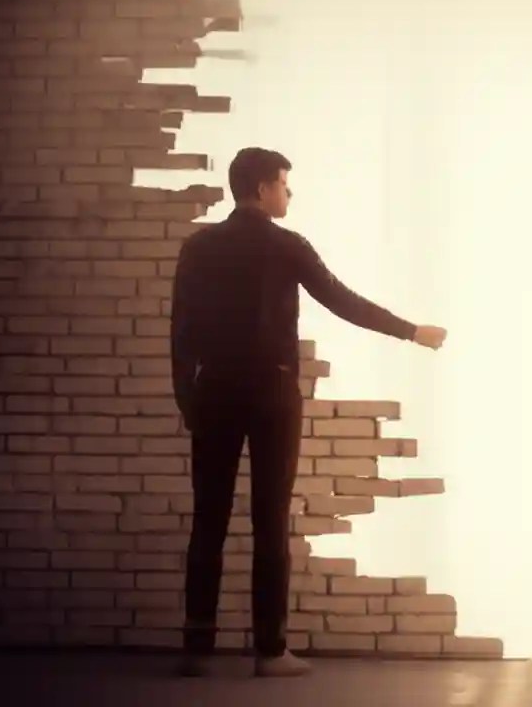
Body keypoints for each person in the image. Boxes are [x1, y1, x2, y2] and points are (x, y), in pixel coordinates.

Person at [170, 147, 448, 678]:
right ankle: (270, 651)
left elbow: (181, 332)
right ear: (260, 189)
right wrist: (412, 331)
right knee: (270, 521)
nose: (288, 193)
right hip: (273, 394)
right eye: (283, 184)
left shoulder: (199, 247)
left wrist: (188, 399)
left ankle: (197, 648)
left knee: (208, 520)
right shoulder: (286, 246)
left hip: (215, 393)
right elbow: (342, 301)